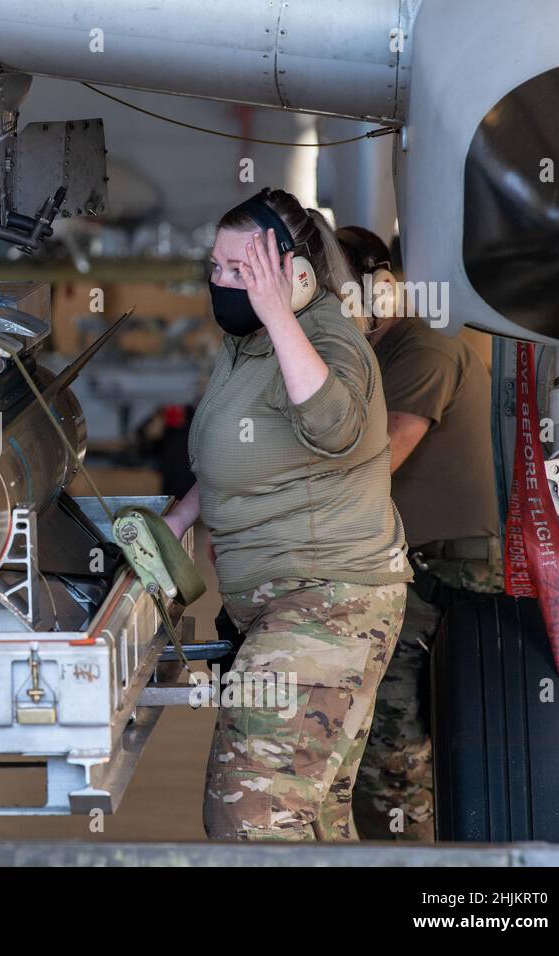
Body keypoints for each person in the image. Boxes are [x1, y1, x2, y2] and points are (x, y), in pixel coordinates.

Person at [165, 188, 411, 841]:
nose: (218, 282)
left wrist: (280, 318)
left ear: (294, 274)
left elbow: (334, 426)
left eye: (237, 271)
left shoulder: (327, 339)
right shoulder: (245, 345)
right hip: (290, 605)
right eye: (214, 267)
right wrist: (184, 515)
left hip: (328, 604)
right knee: (313, 819)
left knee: (253, 816)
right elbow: (245, 449)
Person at [336, 225, 503, 841]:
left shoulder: (421, 351)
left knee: (391, 757)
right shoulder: (380, 356)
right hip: (416, 578)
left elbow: (372, 465)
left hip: (437, 581)